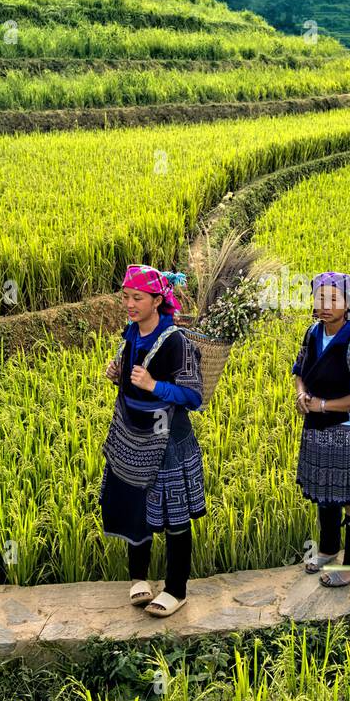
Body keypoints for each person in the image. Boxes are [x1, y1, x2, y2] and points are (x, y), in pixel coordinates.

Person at [100, 264, 205, 617]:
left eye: (137, 298)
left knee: (175, 516)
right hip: (133, 434)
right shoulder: (131, 333)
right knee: (135, 505)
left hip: (167, 438)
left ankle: (177, 589)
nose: (129, 304)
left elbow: (193, 397)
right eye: (126, 297)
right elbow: (131, 380)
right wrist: (120, 376)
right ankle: (139, 578)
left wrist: (153, 386)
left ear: (158, 300)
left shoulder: (176, 341)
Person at [291, 272, 350, 587]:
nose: (325, 305)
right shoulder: (312, 334)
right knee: (324, 491)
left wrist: (324, 405)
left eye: (333, 299)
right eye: (320, 298)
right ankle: (328, 548)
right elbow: (299, 370)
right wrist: (302, 393)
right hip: (318, 428)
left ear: (348, 304)